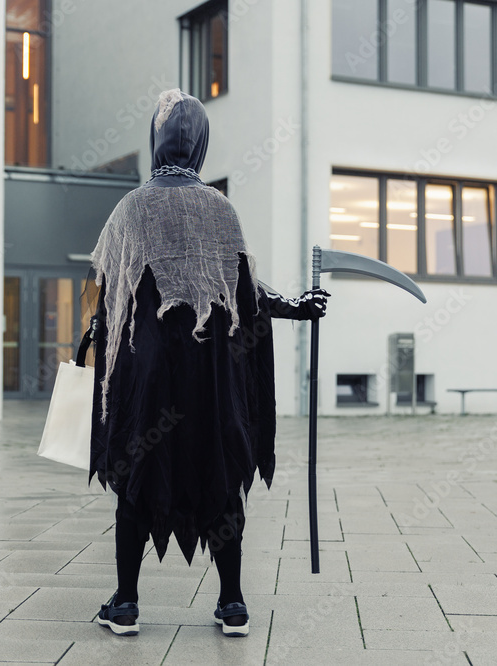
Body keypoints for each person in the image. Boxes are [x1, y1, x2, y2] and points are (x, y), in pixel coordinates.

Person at [88, 88, 328, 638]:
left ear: (155, 140)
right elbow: (245, 293)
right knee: (220, 476)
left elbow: (111, 294)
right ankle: (233, 604)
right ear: (201, 145)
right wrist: (295, 307)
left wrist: (94, 340)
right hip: (212, 381)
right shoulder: (220, 210)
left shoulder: (130, 209)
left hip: (148, 378)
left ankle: (125, 604)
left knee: (136, 478)